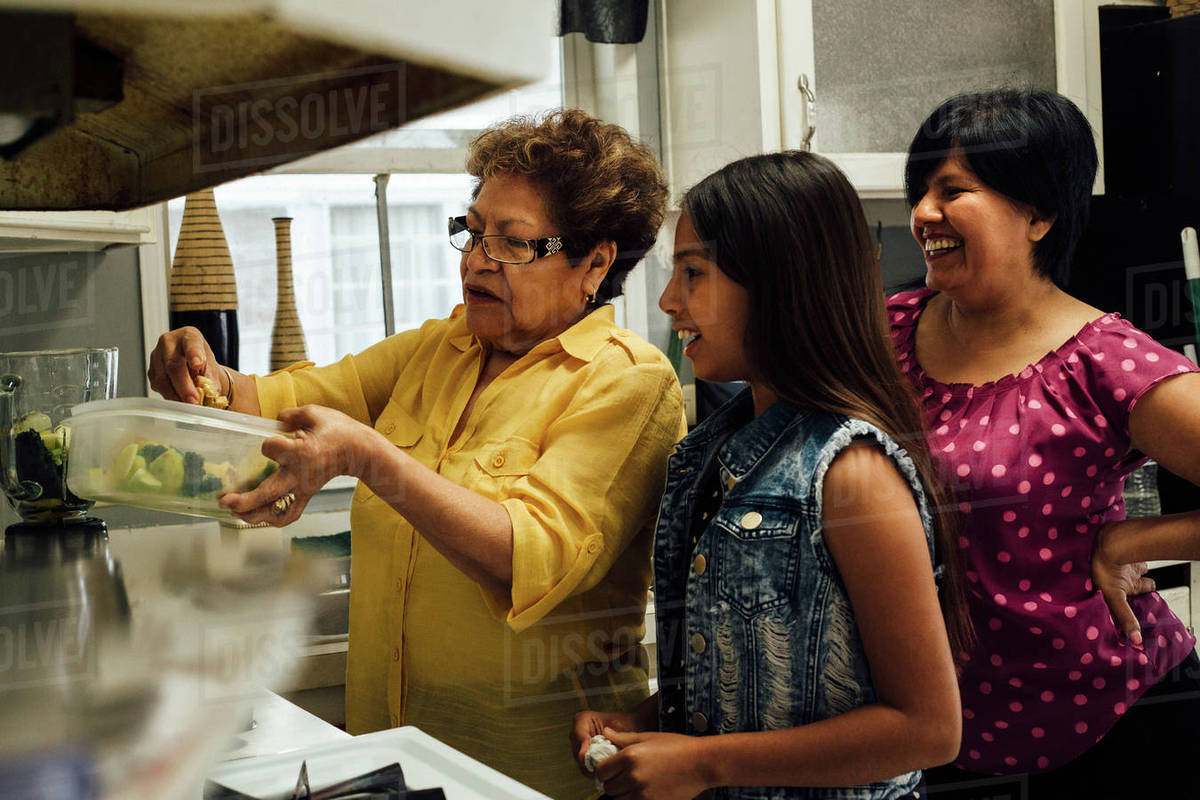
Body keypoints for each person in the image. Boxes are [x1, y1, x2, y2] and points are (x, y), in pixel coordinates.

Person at [148, 109, 686, 799]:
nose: (477, 259)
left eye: (512, 242)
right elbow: (274, 403)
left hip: (531, 780)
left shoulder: (627, 382)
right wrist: (202, 370)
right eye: (473, 232)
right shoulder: (440, 347)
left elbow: (528, 558)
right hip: (389, 770)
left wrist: (370, 458)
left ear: (596, 263)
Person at [571, 151, 968, 799]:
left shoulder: (852, 473)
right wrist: (646, 722)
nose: (669, 301)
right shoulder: (705, 456)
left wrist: (703, 763)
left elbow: (927, 729)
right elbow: (757, 686)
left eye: (693, 273)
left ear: (781, 285)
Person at [892, 88, 1200, 798]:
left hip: (1113, 725)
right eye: (921, 191)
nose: (924, 213)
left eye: (952, 190)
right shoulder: (886, 331)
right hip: (938, 730)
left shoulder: (1105, 361)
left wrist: (1129, 542)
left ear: (1038, 215)